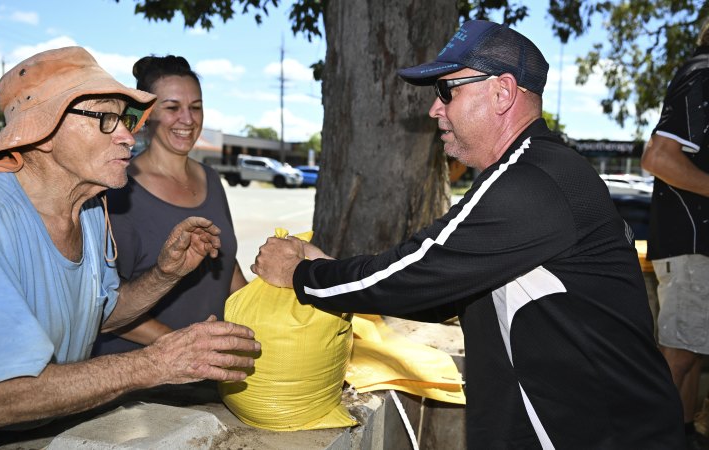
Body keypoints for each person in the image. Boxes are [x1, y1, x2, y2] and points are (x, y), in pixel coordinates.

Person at [252, 20, 684, 448]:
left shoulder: (530, 182)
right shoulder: (540, 169)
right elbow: (443, 288)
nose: (434, 109)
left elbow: (414, 270)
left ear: (502, 93)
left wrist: (300, 275)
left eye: (447, 91)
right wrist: (327, 269)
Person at [0, 46, 259, 449]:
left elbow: (103, 316)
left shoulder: (89, 210)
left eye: (125, 120)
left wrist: (166, 274)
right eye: (106, 119)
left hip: (50, 427)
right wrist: (155, 363)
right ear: (42, 132)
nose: (128, 136)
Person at [93, 55, 247, 355]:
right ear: (146, 114)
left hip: (208, 368)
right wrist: (186, 345)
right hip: (143, 375)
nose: (187, 119)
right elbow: (102, 306)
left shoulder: (211, 179)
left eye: (195, 107)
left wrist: (273, 309)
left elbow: (226, 266)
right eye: (172, 107)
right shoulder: (119, 188)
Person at [641, 19, 709, 448]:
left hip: (696, 248)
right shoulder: (702, 74)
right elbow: (657, 157)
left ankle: (682, 436)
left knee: (691, 356)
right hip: (691, 247)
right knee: (679, 356)